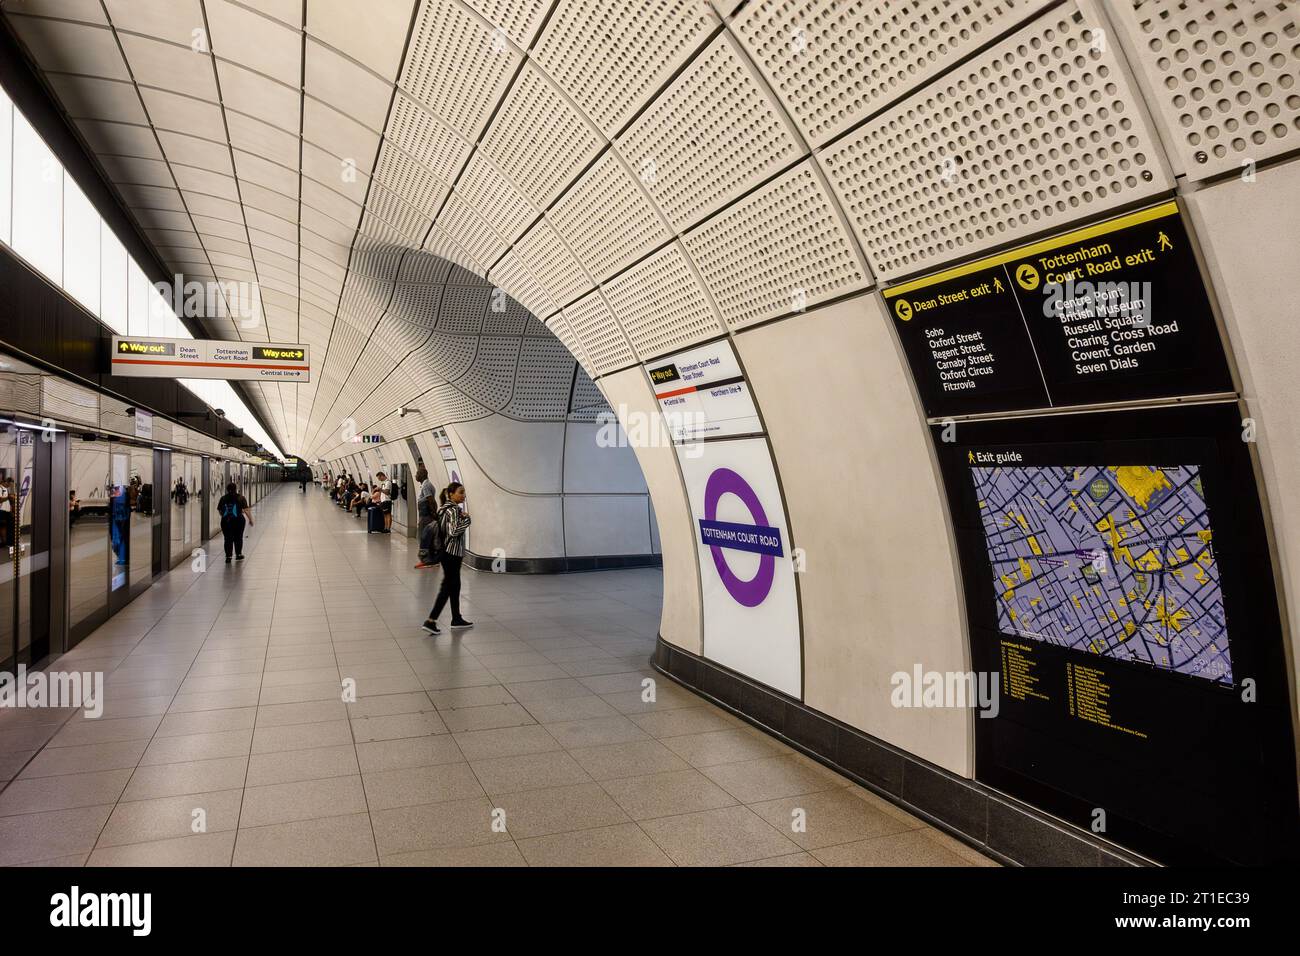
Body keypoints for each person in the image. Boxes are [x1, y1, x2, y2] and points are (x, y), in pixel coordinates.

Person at [421, 482, 473, 635]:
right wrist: (467, 520)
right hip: (452, 554)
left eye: (464, 492)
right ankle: (431, 620)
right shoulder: (454, 510)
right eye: (461, 492)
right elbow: (454, 531)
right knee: (447, 587)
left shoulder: (443, 508)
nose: (463, 495)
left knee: (454, 585)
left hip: (446, 553)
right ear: (451, 494)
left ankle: (456, 618)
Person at [216, 481, 253, 563]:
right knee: (238, 537)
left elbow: (220, 511)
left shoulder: (223, 498)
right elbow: (246, 510)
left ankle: (228, 556)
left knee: (227, 538)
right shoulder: (241, 498)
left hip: (226, 522)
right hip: (239, 521)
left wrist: (225, 517)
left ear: (227, 489)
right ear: (236, 489)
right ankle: (238, 554)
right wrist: (250, 519)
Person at [414, 465, 436, 568]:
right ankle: (432, 559)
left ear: (422, 475)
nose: (415, 475)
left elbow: (430, 500)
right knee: (428, 537)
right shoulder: (425, 484)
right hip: (426, 514)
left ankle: (426, 560)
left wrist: (433, 514)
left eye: (417, 474)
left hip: (426, 515)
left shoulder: (426, 485)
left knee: (424, 537)